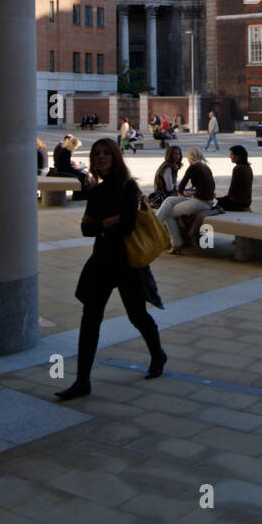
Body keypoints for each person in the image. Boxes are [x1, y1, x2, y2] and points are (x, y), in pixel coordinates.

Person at [55, 138, 166, 402]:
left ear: (115, 157)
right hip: (101, 262)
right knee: (90, 321)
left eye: (106, 153)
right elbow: (86, 230)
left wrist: (102, 224)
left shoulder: (127, 187)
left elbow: (127, 225)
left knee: (137, 316)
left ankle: (158, 354)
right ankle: (82, 380)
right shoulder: (95, 191)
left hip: (127, 263)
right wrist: (110, 221)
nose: (101, 158)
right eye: (96, 154)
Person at [158, 148, 215, 253]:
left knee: (168, 213)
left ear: (190, 158)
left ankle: (173, 240)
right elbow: (209, 188)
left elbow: (181, 187)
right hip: (207, 201)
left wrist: (183, 194)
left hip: (201, 202)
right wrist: (192, 193)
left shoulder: (193, 167)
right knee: (169, 200)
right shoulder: (206, 167)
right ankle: (158, 224)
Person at [215, 145, 253, 211]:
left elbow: (233, 188)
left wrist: (226, 198)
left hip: (237, 203)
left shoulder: (238, 168)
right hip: (246, 202)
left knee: (212, 203)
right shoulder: (248, 167)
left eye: (232, 154)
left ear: (238, 156)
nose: (230, 157)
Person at [150, 145, 183, 209]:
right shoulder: (167, 168)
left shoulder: (172, 166)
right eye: (175, 154)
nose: (177, 156)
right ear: (170, 155)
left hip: (168, 194)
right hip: (164, 196)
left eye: (179, 154)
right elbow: (169, 188)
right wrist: (176, 186)